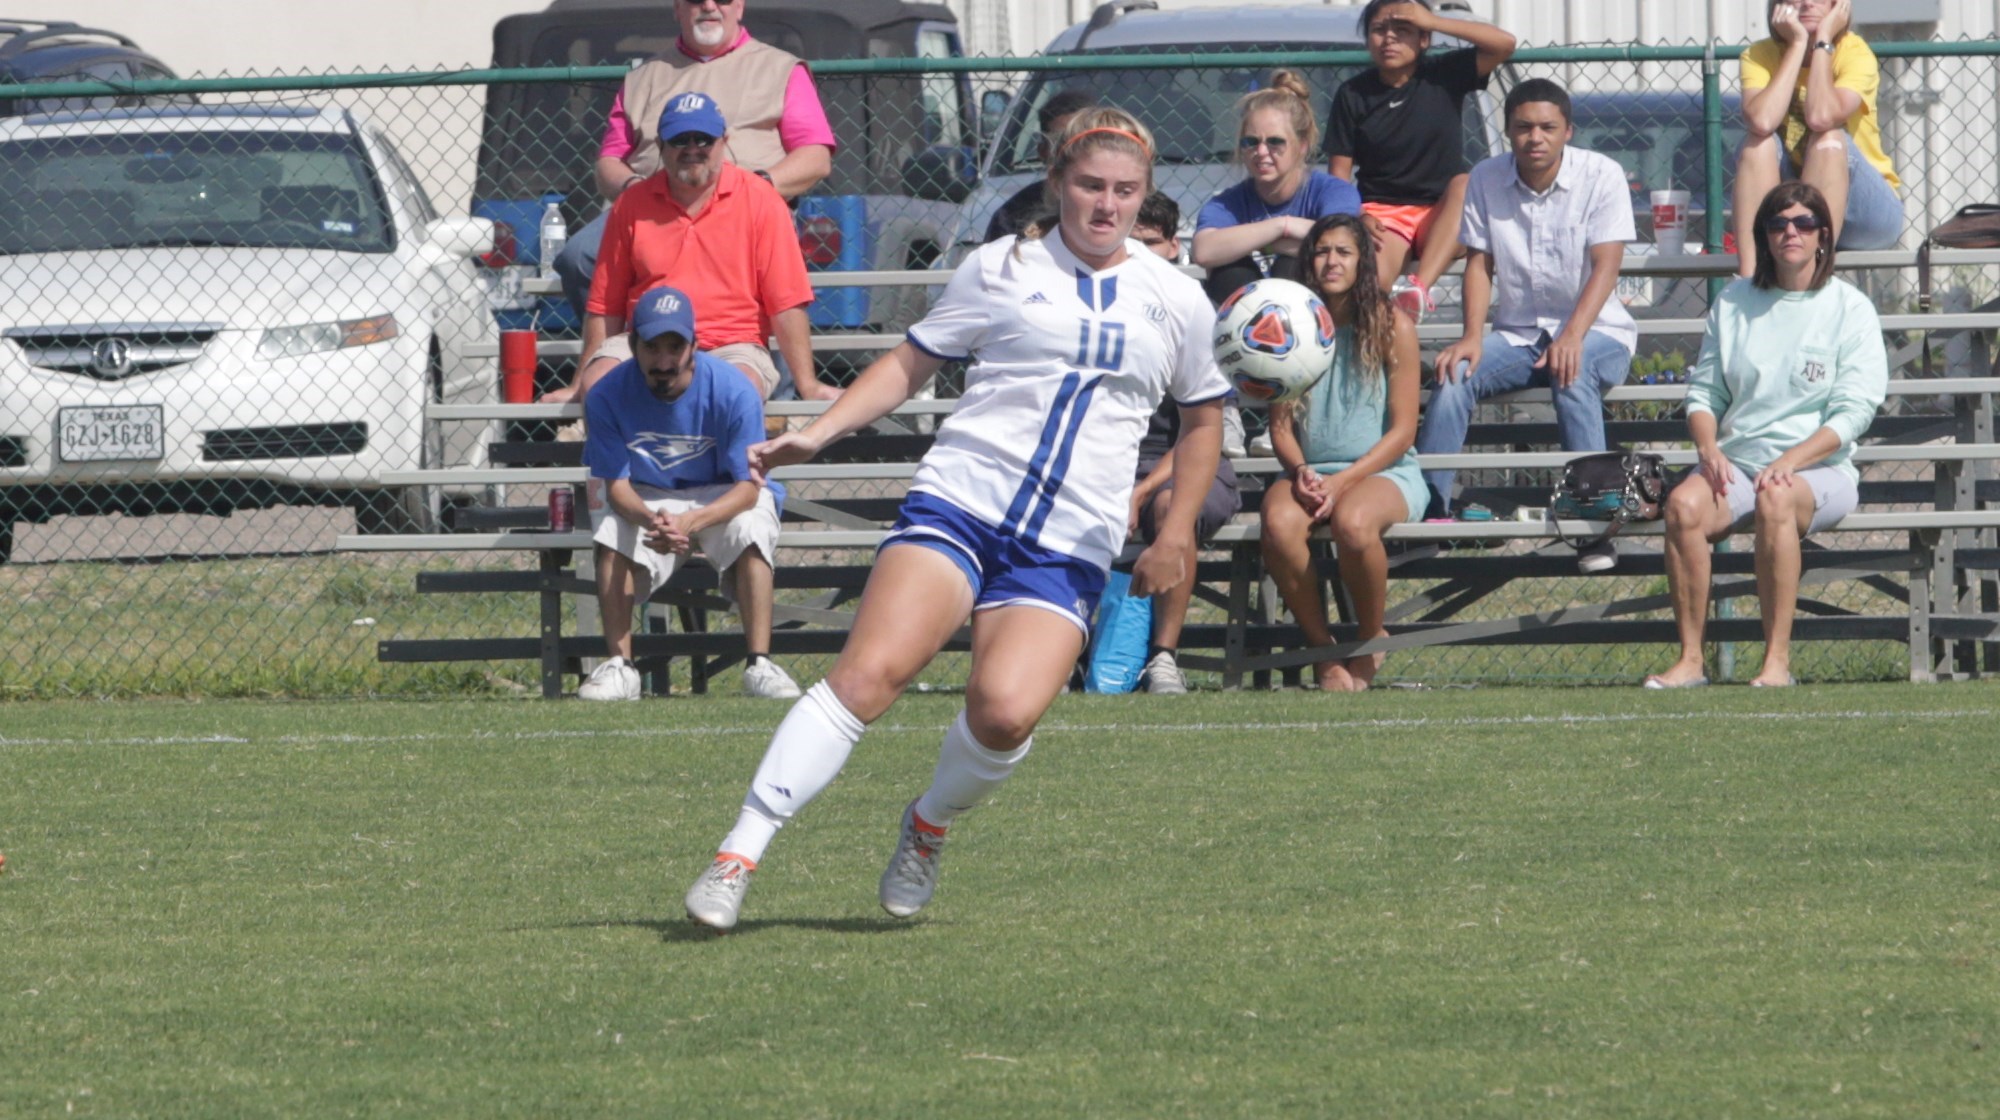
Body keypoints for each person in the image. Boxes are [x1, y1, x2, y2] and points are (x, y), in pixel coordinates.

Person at [682, 107, 1231, 930]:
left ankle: (928, 823)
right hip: (963, 502)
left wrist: (1178, 528)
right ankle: (738, 854)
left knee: (1005, 713)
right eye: (1090, 185)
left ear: (1145, 198)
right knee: (869, 676)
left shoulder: (1177, 301)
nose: (1106, 204)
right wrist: (820, 432)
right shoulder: (1000, 265)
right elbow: (910, 363)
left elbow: (1203, 419)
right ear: (1056, 184)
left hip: (1068, 543)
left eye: (1125, 190)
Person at [1645, 182, 1886, 689]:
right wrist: (1707, 448)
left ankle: (1775, 663)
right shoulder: (1733, 302)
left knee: (1776, 498)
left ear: (1823, 236)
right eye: (1777, 225)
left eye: (1802, 223)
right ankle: (1691, 662)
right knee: (1683, 507)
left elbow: (1855, 411)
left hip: (1819, 471)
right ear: (1763, 236)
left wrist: (1793, 460)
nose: (1790, 233)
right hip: (1739, 464)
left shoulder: (1851, 308)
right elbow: (1704, 395)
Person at [1416, 78, 1636, 574]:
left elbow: (1606, 265)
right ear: (1508, 130)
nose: (1535, 137)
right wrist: (1471, 336)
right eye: (1523, 127)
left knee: (1571, 372)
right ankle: (1429, 517)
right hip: (1516, 335)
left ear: (1567, 131)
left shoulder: (1602, 174)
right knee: (1454, 376)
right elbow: (1479, 263)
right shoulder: (1485, 178)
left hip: (1599, 331)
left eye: (1547, 127)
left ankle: (1594, 527)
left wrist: (1573, 335)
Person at [576, 285, 802, 702]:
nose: (664, 361)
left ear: (695, 346)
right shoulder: (606, 394)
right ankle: (620, 667)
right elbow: (617, 489)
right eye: (652, 347)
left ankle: (759, 664)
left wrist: (688, 522)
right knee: (612, 531)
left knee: (752, 526)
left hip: (723, 492)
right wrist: (654, 521)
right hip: (646, 493)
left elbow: (749, 490)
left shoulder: (734, 390)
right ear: (631, 345)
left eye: (675, 347)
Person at [552, 0, 835, 321]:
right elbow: (609, 161)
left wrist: (755, 189)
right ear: (677, 8)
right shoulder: (642, 79)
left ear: (739, 6)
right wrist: (634, 190)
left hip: (744, 212)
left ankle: (766, 368)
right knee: (579, 256)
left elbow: (815, 157)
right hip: (651, 211)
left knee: (763, 274)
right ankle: (624, 356)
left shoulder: (782, 69)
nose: (710, 7)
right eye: (696, 1)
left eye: (723, 0)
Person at [549, 92, 838, 405]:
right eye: (679, 140)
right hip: (647, 344)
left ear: (723, 142)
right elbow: (607, 304)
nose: (692, 149)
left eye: (703, 140)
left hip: (733, 345)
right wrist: (580, 382)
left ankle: (727, 457)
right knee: (599, 386)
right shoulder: (631, 204)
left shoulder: (763, 200)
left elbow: (787, 301)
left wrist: (808, 385)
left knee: (737, 392)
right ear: (660, 146)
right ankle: (621, 456)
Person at [1259, 214, 1425, 693]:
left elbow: (1402, 431)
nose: (1331, 261)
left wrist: (1343, 480)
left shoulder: (1393, 323)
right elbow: (1281, 427)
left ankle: (1371, 637)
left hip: (1383, 470)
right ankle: (1324, 650)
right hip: (1311, 471)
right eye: (1322, 250)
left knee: (1353, 523)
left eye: (1344, 252)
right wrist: (1303, 471)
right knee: (1279, 523)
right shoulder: (1288, 326)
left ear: (1363, 261)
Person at [1323, 0, 1515, 308]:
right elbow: (1339, 175)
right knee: (1370, 290)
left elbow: (1504, 44)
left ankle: (1417, 292)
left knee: (1465, 184)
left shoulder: (1444, 73)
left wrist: (1433, 20)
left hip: (1439, 217)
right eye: (1379, 30)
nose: (1389, 39)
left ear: (1423, 39)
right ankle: (1370, 351)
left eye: (1402, 30)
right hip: (1383, 217)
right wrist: (1356, 215)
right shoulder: (1352, 94)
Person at [1126, 192, 1243, 695]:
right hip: (1113, 463)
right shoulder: (1097, 310)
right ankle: (1071, 656)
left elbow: (1204, 432)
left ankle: (1162, 659)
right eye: (1130, 244)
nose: (1140, 255)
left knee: (1172, 505)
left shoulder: (1194, 310)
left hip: (1191, 463)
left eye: (1150, 243)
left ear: (1175, 247)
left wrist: (1143, 487)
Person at [1732, 0, 1902, 279]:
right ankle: (1750, 283)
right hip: (1793, 210)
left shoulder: (1855, 53)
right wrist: (1798, 45)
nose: (1808, 3)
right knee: (1756, 145)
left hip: (1864, 213)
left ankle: (1812, 281)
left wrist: (1822, 42)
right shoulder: (1760, 54)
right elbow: (1762, 120)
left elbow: (1821, 117)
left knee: (1829, 140)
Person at [1192, 69, 1361, 307]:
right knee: (1228, 271)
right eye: (1251, 142)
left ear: (1302, 146)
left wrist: (1253, 243)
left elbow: (1335, 242)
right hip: (1250, 319)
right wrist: (1283, 226)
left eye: (1275, 142)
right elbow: (1204, 252)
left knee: (1291, 266)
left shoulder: (1333, 192)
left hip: (1317, 315)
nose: (1261, 152)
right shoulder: (1228, 202)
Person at [983, 89, 1097, 244]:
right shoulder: (1013, 214)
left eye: (1085, 140)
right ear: (1043, 151)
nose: (1074, 151)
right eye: (1062, 142)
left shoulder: (1123, 204)